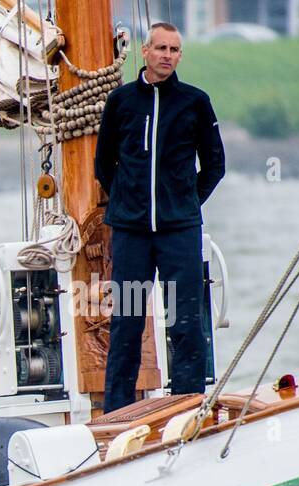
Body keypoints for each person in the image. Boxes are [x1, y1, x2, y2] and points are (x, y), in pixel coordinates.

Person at [94, 21, 225, 415]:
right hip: (132, 234)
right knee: (127, 324)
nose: (167, 55)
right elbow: (104, 164)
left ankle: (186, 406)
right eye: (161, 48)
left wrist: (186, 204)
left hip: (178, 233)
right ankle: (117, 412)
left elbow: (215, 164)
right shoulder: (121, 102)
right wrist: (127, 201)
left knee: (185, 324)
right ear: (145, 51)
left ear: (179, 56)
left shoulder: (194, 102)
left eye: (174, 50)